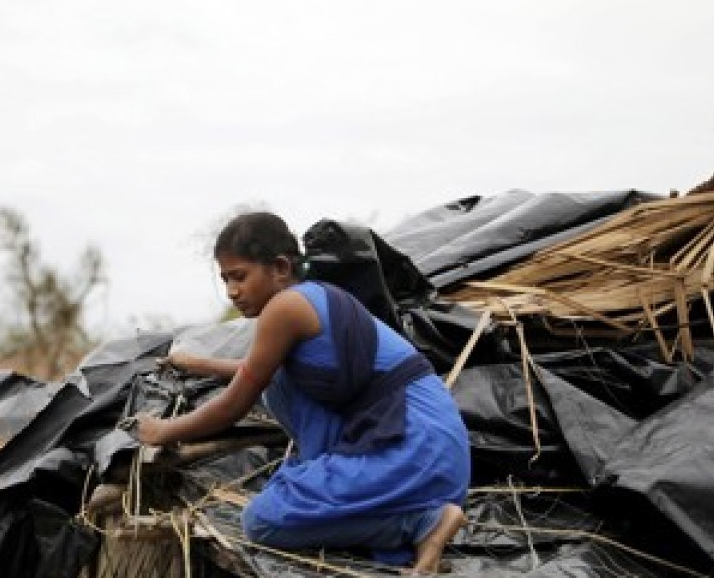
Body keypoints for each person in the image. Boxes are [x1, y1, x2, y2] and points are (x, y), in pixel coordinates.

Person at [138, 211, 470, 574]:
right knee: (281, 381)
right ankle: (409, 516)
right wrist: (197, 364)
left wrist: (164, 430)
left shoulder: (285, 308)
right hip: (439, 451)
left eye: (240, 277)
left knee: (262, 521)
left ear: (280, 267)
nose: (232, 291)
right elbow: (255, 371)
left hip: (412, 446)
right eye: (225, 280)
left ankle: (421, 523)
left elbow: (235, 403)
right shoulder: (312, 299)